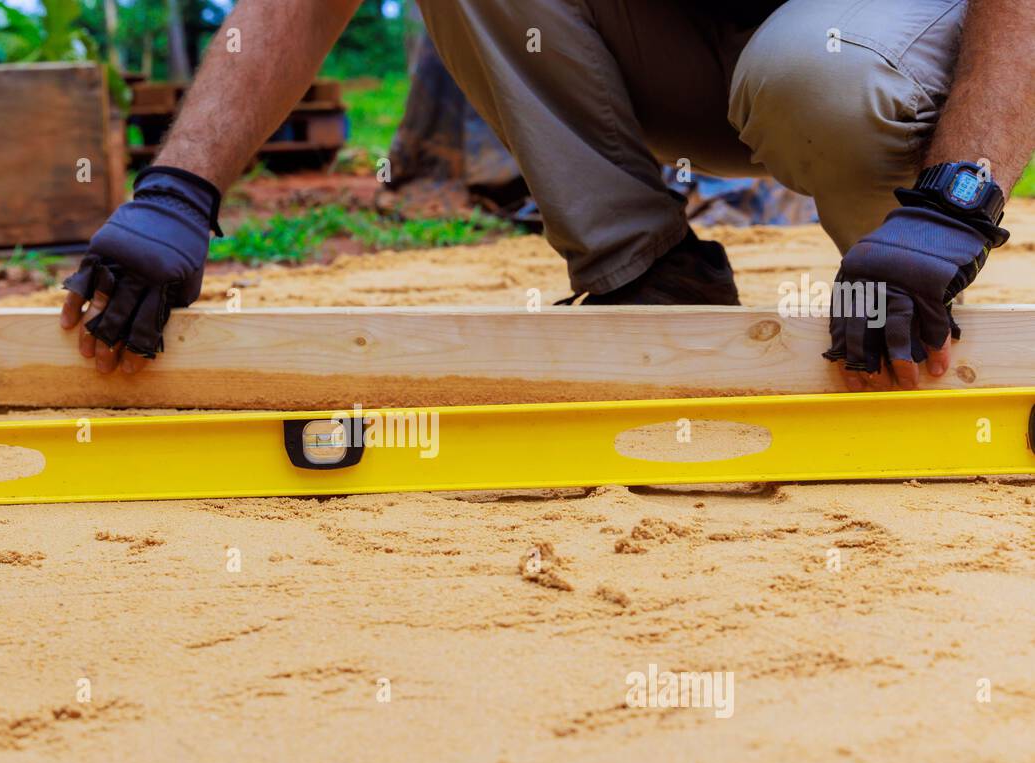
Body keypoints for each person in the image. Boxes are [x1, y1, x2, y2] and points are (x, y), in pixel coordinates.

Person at [61, 0, 1034, 392]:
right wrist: (178, 189)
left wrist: (956, 196)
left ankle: (908, 283)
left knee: (810, 81)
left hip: (855, 45)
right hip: (679, 57)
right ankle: (647, 277)